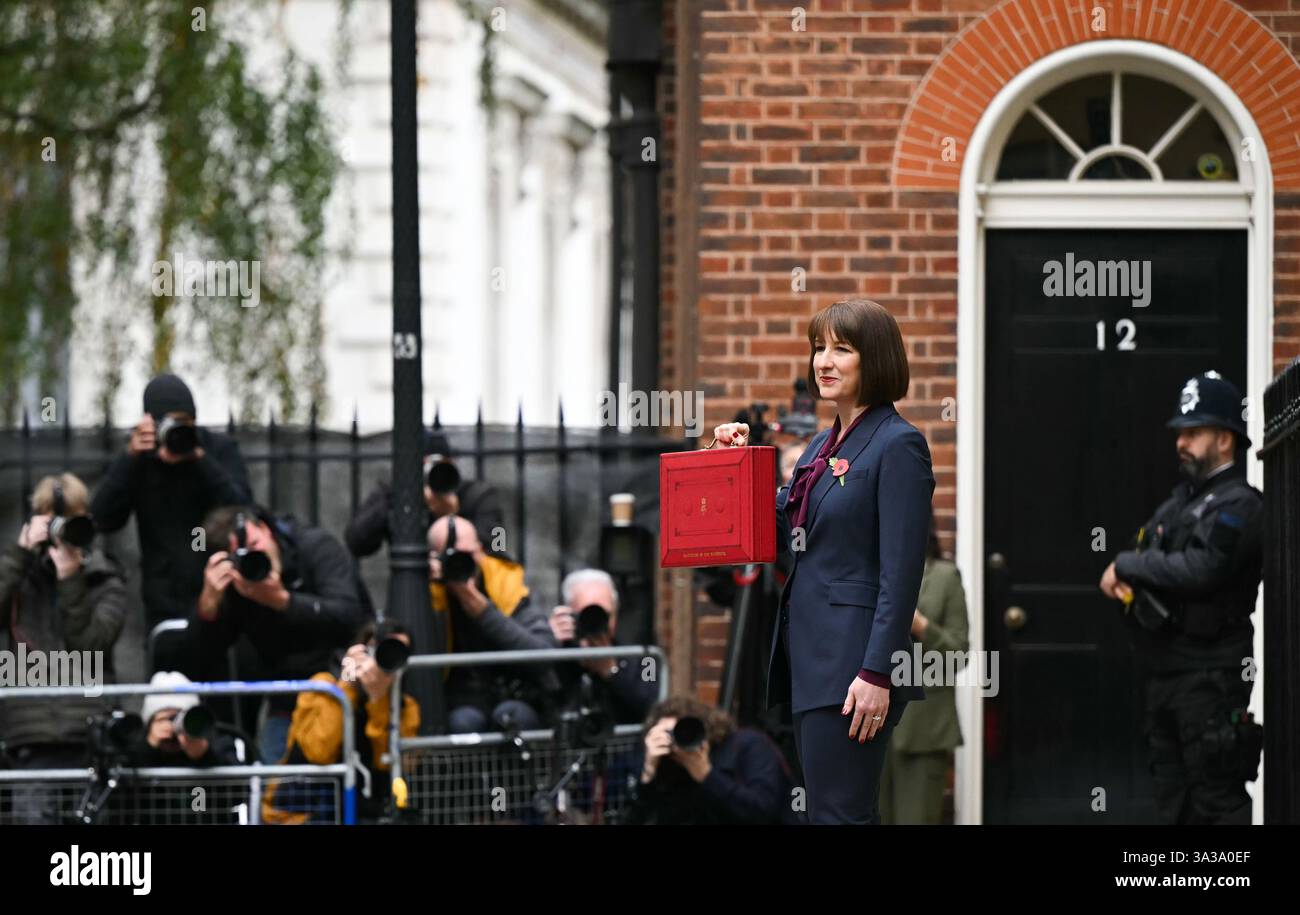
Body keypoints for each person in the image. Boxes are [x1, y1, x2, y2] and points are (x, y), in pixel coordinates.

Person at [713, 298, 933, 824]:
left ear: (874, 360)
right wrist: (736, 463)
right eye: (819, 348)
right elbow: (777, 531)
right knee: (837, 816)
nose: (824, 361)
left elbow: (901, 575)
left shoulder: (899, 445)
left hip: (854, 667)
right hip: (812, 661)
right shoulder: (819, 446)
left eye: (842, 349)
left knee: (838, 816)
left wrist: (877, 672)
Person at [1098, 371, 1263, 825]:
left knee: (1216, 798)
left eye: (1194, 432)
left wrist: (1126, 566)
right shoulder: (1182, 501)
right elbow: (1146, 545)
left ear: (1226, 439)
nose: (1181, 442)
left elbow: (1202, 569)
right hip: (1166, 672)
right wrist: (1129, 563)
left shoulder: (1241, 505)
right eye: (1180, 433)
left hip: (1211, 678)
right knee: (1174, 803)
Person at [90, 373, 251, 668]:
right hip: (164, 599)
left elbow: (242, 505)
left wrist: (200, 459)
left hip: (221, 591)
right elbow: (101, 518)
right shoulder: (141, 460)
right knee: (168, 693)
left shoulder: (215, 449)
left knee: (222, 696)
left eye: (185, 423)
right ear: (153, 424)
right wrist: (130, 459)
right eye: (171, 424)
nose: (179, 432)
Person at [192, 505, 367, 764]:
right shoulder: (236, 586)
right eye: (244, 555)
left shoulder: (315, 546)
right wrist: (207, 608)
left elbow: (350, 616)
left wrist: (284, 601)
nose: (256, 555)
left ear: (266, 529)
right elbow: (201, 656)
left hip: (346, 682)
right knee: (272, 784)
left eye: (255, 542)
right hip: (287, 696)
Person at [0, 474, 128, 824]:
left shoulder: (105, 579)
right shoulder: (19, 574)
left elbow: (89, 643)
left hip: (88, 735)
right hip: (31, 736)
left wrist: (71, 577)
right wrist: (20, 555)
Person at [262, 620, 420, 824]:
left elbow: (389, 765)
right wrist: (347, 686)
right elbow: (318, 752)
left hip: (367, 811)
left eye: (398, 652)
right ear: (364, 648)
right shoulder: (323, 686)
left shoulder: (405, 706)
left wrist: (379, 702)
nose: (386, 658)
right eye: (382, 648)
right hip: (305, 809)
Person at [427, 515, 557, 733]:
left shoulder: (505, 586)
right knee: (463, 722)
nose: (463, 564)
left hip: (512, 694)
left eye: (468, 555)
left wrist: (482, 610)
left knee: (513, 717)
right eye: (453, 557)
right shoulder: (426, 591)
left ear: (480, 549)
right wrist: (432, 589)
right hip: (456, 702)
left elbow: (543, 655)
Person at [880, 508, 969, 825]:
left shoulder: (945, 577)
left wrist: (922, 627)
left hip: (924, 729)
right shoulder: (869, 574)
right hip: (870, 725)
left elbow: (960, 652)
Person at [623, 696, 794, 825]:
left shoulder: (748, 746)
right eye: (669, 734)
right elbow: (636, 818)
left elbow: (762, 811)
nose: (678, 741)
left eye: (682, 731)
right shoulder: (666, 764)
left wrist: (706, 775)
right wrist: (648, 772)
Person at [345, 431, 505, 558]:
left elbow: (499, 548)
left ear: (453, 464)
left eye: (441, 467)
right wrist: (398, 497)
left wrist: (455, 518)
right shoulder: (394, 494)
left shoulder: (479, 496)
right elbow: (356, 542)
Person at [548, 568, 657, 724]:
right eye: (586, 614)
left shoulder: (645, 658)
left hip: (622, 745)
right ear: (569, 614)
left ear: (616, 615)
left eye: (602, 614)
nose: (594, 622)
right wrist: (547, 643)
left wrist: (612, 671)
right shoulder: (555, 653)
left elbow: (653, 704)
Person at [129, 671, 241, 768]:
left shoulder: (216, 743)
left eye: (178, 717)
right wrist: (150, 745)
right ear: (150, 723)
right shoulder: (135, 745)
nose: (172, 725)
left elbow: (240, 783)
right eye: (163, 718)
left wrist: (204, 755)